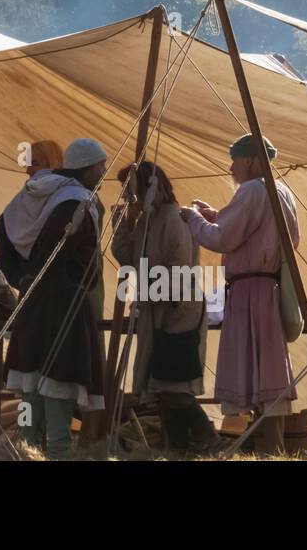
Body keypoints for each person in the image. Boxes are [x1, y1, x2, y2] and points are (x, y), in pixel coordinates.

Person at [178, 133, 299, 455]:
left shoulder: (251, 190)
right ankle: (269, 450)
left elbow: (223, 240)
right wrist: (215, 216)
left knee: (259, 377)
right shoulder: (282, 191)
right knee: (266, 375)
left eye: (234, 159)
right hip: (268, 288)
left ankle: (270, 450)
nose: (231, 166)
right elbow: (252, 229)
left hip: (250, 294)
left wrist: (193, 219)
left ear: (248, 160)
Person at [0, 138, 107, 459]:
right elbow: (70, 252)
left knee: (31, 391)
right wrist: (67, 280)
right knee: (56, 390)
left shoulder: (38, 191)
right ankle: (54, 452)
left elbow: (3, 226)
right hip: (64, 310)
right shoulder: (75, 201)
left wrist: (22, 277)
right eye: (100, 166)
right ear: (86, 167)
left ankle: (30, 450)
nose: (103, 172)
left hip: (35, 307)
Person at [110, 161, 219, 454]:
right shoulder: (147, 221)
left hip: (177, 309)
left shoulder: (173, 218)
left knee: (174, 385)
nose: (127, 196)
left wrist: (160, 299)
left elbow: (179, 268)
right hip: (157, 310)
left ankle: (206, 436)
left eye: (129, 190)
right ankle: (178, 449)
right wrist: (126, 221)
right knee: (161, 388)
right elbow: (126, 256)